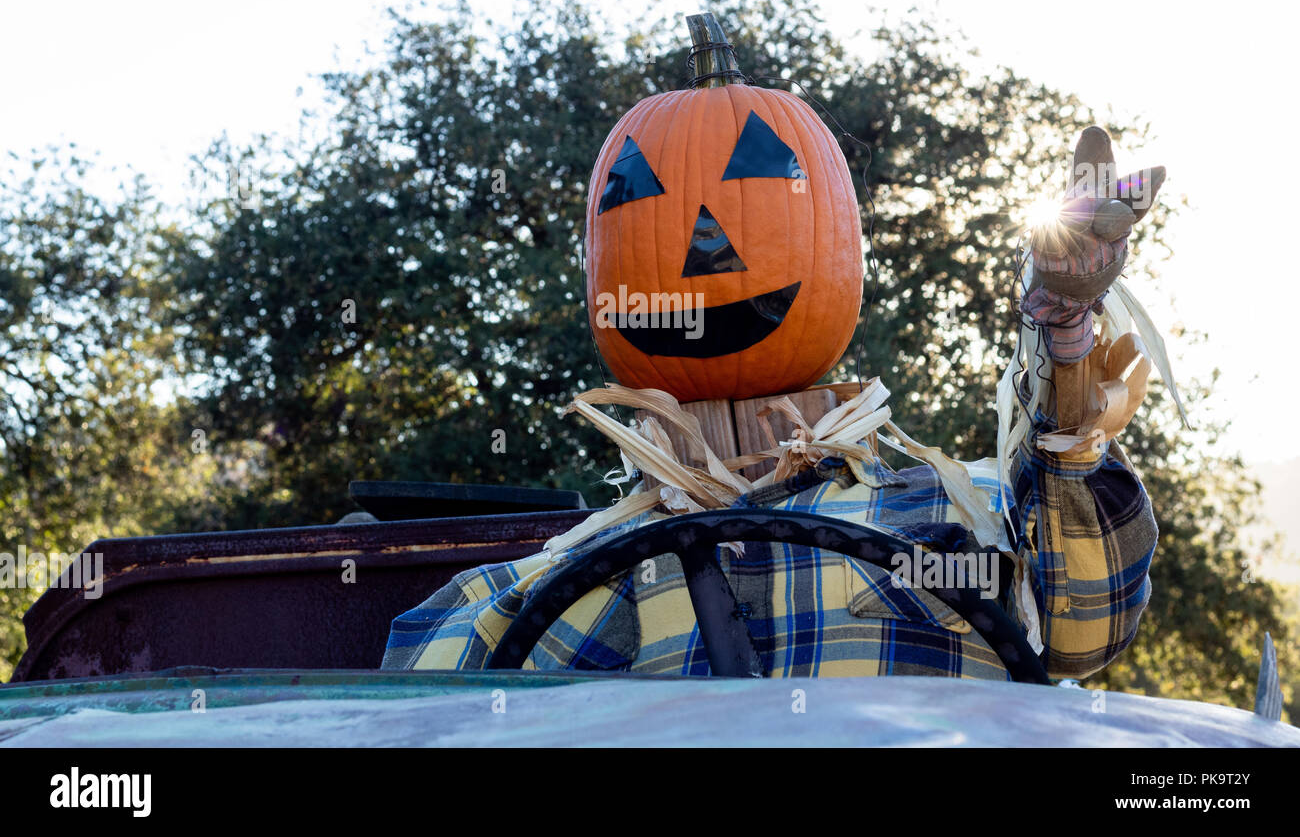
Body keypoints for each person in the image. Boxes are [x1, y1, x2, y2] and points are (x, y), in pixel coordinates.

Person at [382, 126, 1166, 681]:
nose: (706, 242)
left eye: (761, 165)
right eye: (637, 188)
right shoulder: (579, 577)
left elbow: (1083, 628)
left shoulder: (962, 516)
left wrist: (1066, 342)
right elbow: (418, 711)